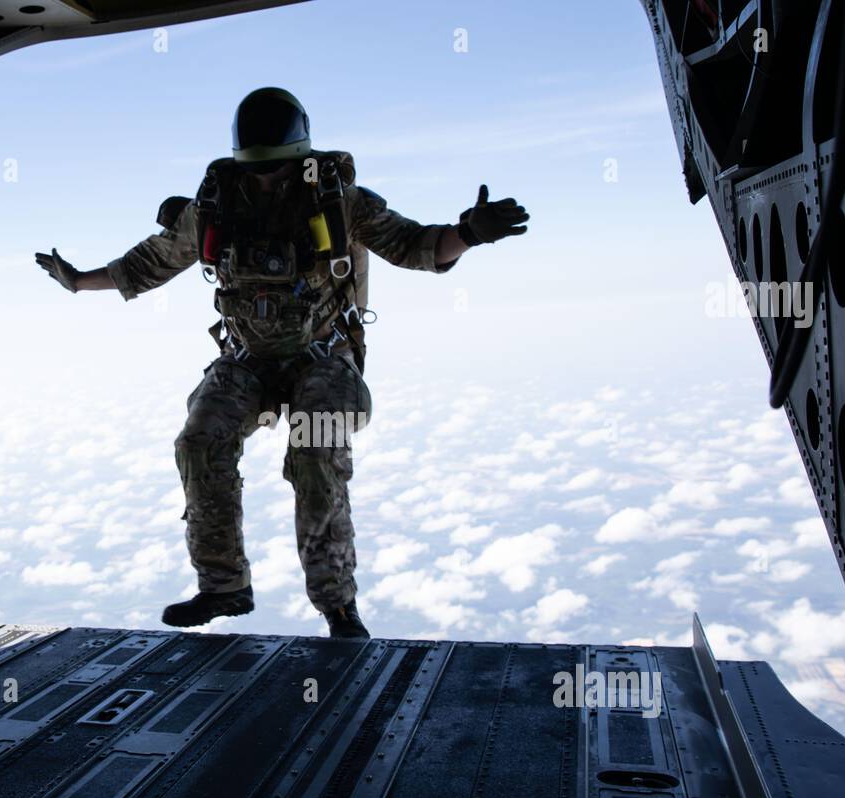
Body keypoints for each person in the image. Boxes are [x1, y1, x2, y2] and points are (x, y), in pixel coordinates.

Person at [37, 88, 527, 638]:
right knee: (199, 442)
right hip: (246, 359)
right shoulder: (215, 206)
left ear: (302, 158)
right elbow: (149, 263)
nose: (267, 182)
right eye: (258, 172)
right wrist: (79, 281)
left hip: (323, 357)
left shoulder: (339, 201)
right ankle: (224, 588)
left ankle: (338, 606)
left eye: (278, 170)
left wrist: (468, 235)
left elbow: (416, 246)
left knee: (316, 449)